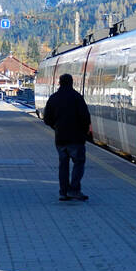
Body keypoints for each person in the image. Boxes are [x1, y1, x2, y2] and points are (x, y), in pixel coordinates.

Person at [42, 73, 91, 202]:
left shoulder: (54, 98)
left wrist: (56, 127)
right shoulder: (77, 97)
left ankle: (63, 192)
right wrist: (83, 133)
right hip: (76, 138)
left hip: (61, 138)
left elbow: (46, 119)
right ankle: (74, 190)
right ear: (71, 83)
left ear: (59, 83)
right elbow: (86, 118)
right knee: (78, 163)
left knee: (63, 165)